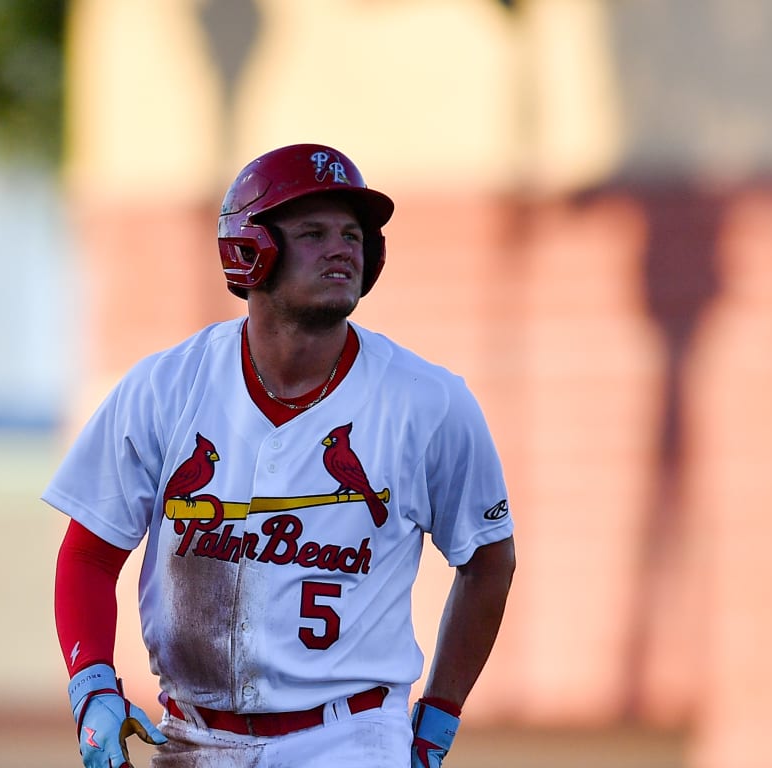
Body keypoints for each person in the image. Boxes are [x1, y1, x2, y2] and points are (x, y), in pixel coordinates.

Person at [46, 143, 517, 768]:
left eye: (354, 233)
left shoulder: (428, 402)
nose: (343, 247)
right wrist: (93, 684)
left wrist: (439, 716)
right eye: (314, 232)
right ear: (250, 248)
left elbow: (489, 560)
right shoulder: (166, 387)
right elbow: (88, 552)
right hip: (188, 737)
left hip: (348, 736)